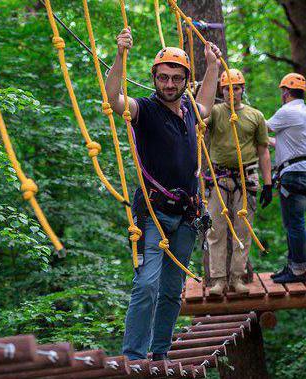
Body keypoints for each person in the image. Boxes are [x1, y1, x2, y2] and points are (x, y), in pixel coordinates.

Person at [104, 27, 221, 361]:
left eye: (177, 78)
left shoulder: (188, 112)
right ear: (154, 78)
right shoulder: (145, 110)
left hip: (186, 215)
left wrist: (212, 67)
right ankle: (134, 356)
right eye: (163, 78)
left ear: (185, 81)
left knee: (172, 291)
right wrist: (120, 55)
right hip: (153, 213)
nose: (170, 84)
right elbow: (114, 99)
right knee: (146, 285)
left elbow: (208, 107)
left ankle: (160, 354)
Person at [204, 69, 272, 296]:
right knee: (216, 230)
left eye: (236, 88)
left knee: (242, 230)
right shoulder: (214, 113)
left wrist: (269, 183)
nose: (231, 92)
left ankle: (236, 278)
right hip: (218, 177)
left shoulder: (255, 116)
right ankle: (218, 280)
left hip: (246, 177)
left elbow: (263, 151)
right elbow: (198, 118)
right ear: (221, 90)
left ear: (243, 89)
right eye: (226, 88)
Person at [266, 73, 306, 284]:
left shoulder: (288, 111)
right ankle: (294, 265)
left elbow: (262, 127)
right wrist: (269, 142)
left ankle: (298, 271)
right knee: (294, 222)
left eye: (282, 91)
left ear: (286, 91)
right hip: (305, 170)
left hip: (294, 174)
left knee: (294, 223)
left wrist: (244, 114)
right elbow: (290, 145)